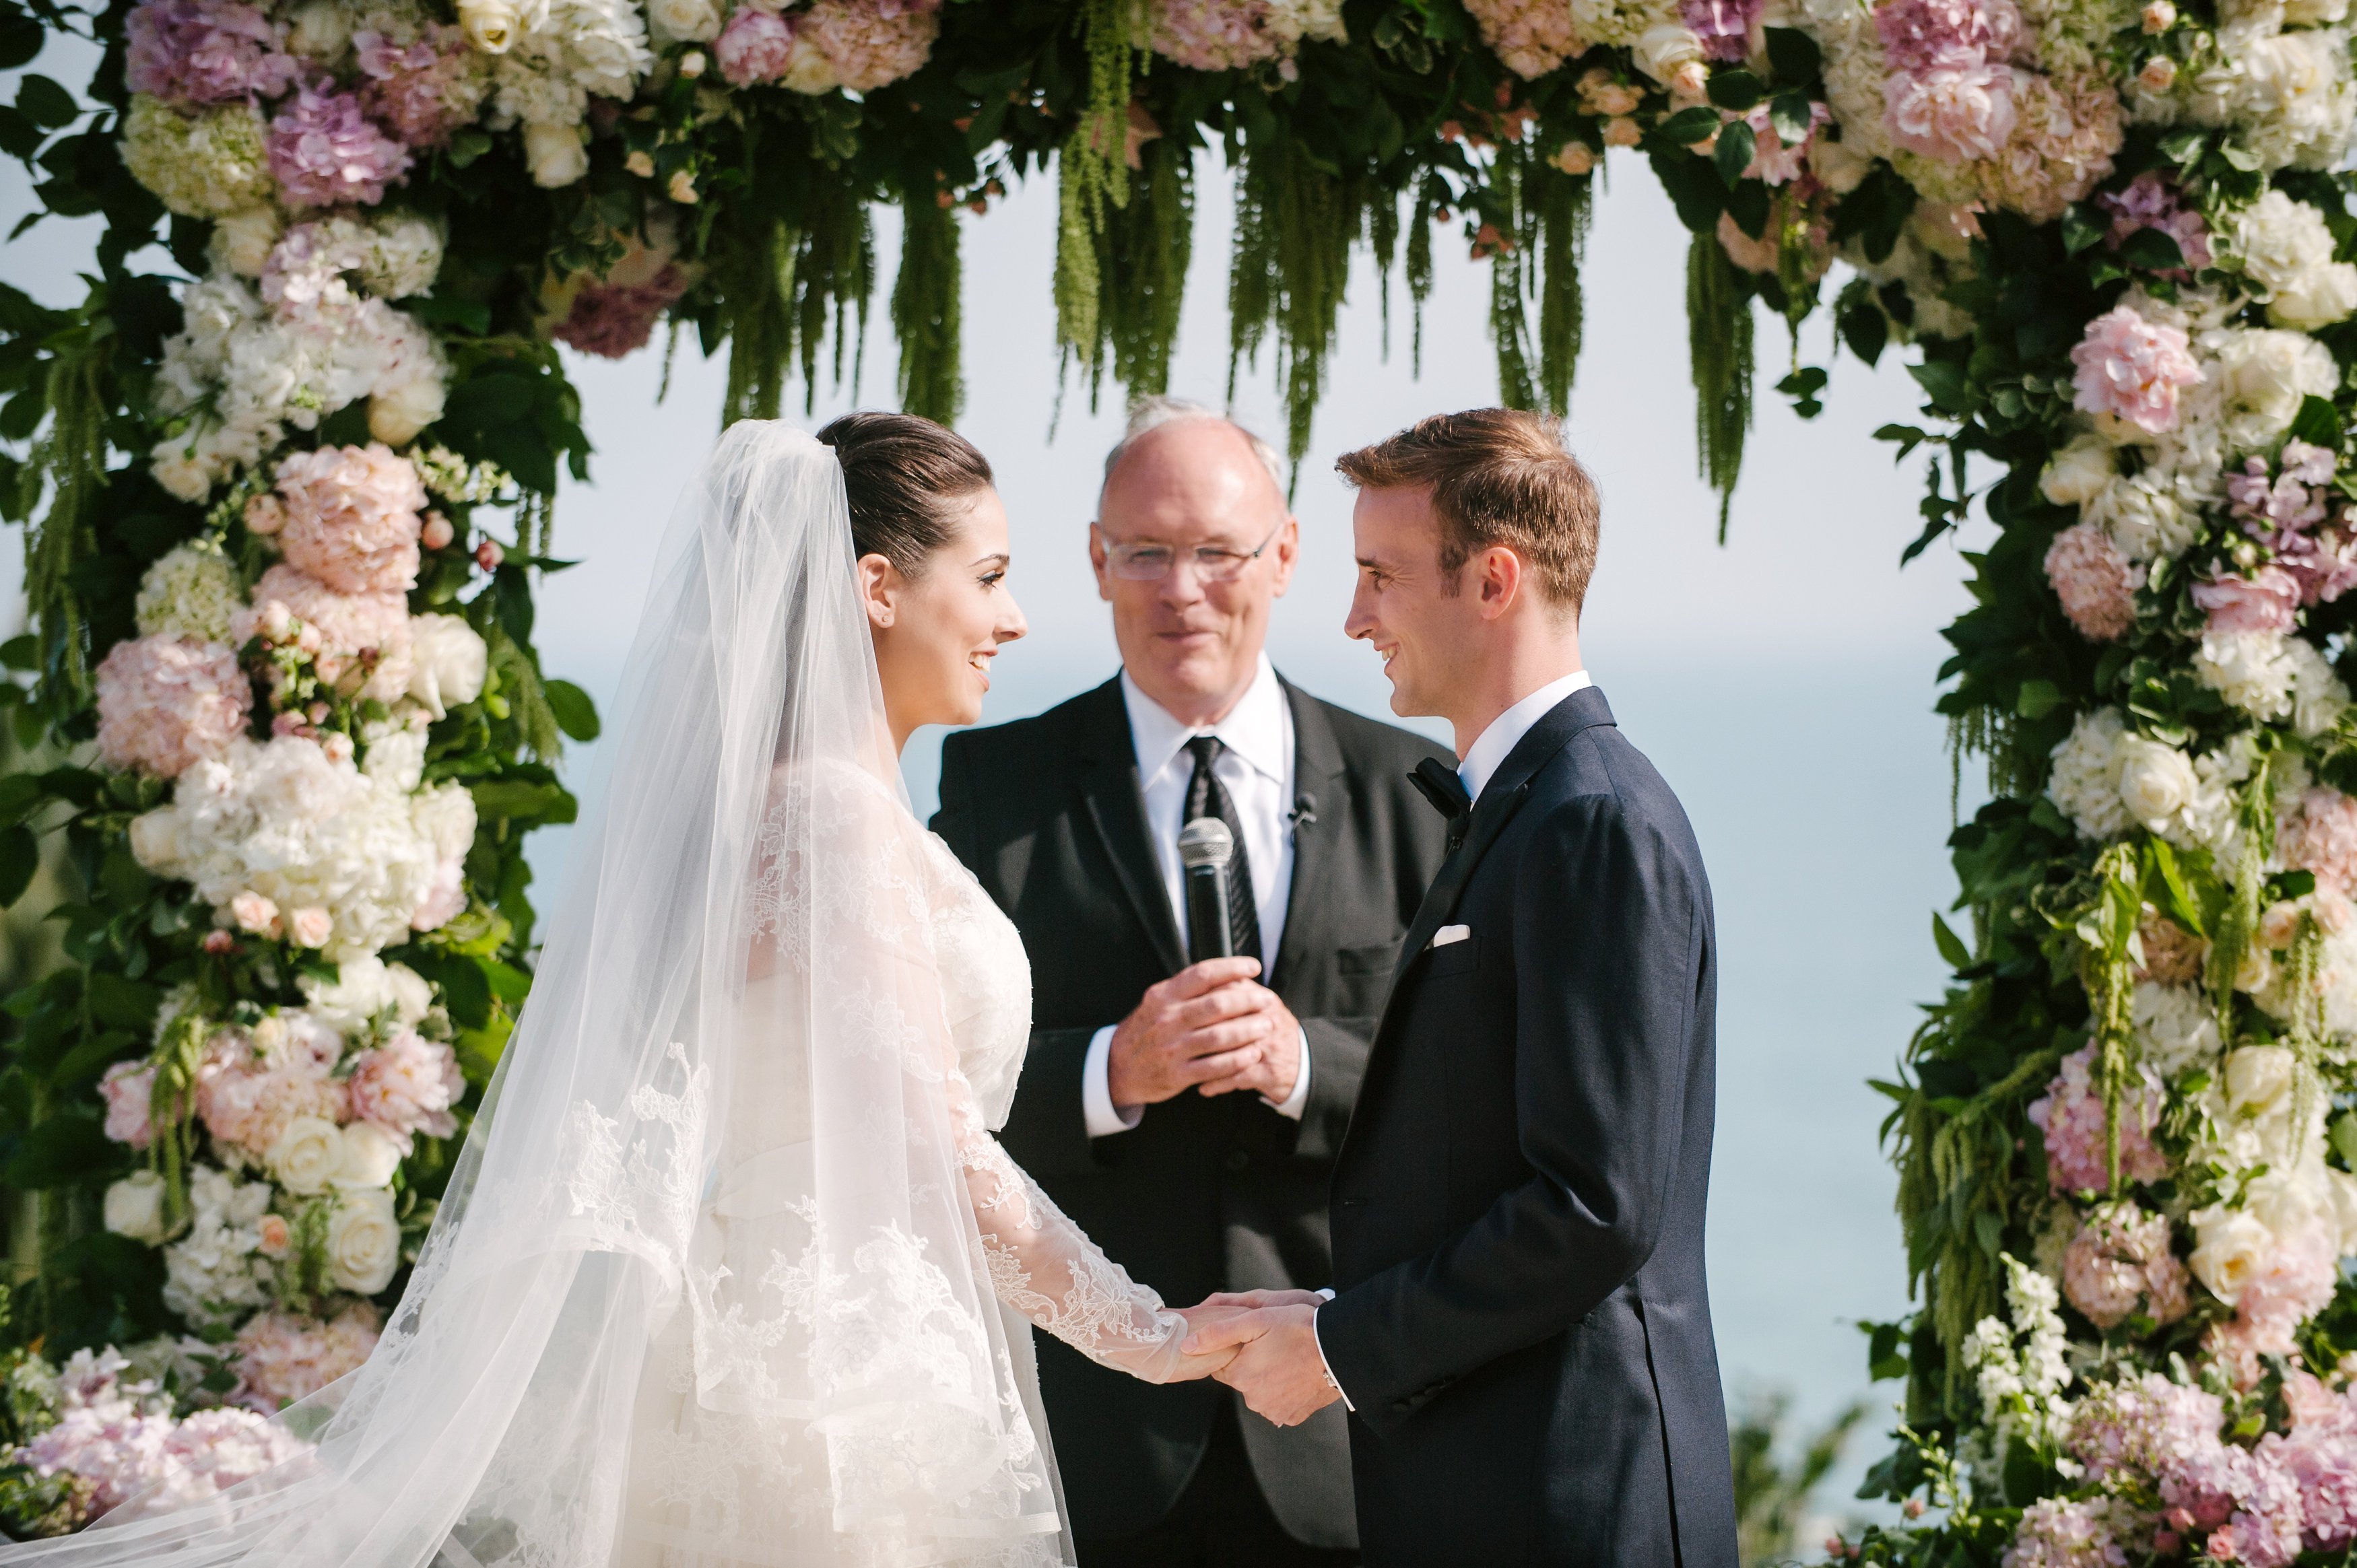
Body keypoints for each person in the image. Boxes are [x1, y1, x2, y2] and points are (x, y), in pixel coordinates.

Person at [1, 413, 1239, 1567]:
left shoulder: (818, 810)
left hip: (835, 1342)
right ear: (877, 586)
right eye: (990, 575)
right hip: (833, 1387)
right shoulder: (828, 821)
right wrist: (1157, 1336)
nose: (1012, 619)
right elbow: (938, 1147)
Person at [1188, 410, 1741, 1567]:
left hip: (1573, 1501)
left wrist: (1343, 1351)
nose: (1354, 617)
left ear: (1494, 579)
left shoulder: (1592, 822)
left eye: (1380, 576)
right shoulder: (1529, 807)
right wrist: (1327, 1313)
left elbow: (1593, 1206)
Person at [931, 399, 1451, 1567]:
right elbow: (927, 1092)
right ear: (1096, 560)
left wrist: (1305, 1063)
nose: (1182, 589)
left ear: (1285, 555)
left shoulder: (1414, 786)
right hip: (1095, 1443)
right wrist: (1109, 1071)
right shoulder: (998, 785)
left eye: (1218, 551)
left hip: (1349, 1432)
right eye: (1146, 552)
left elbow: (1469, 1093)